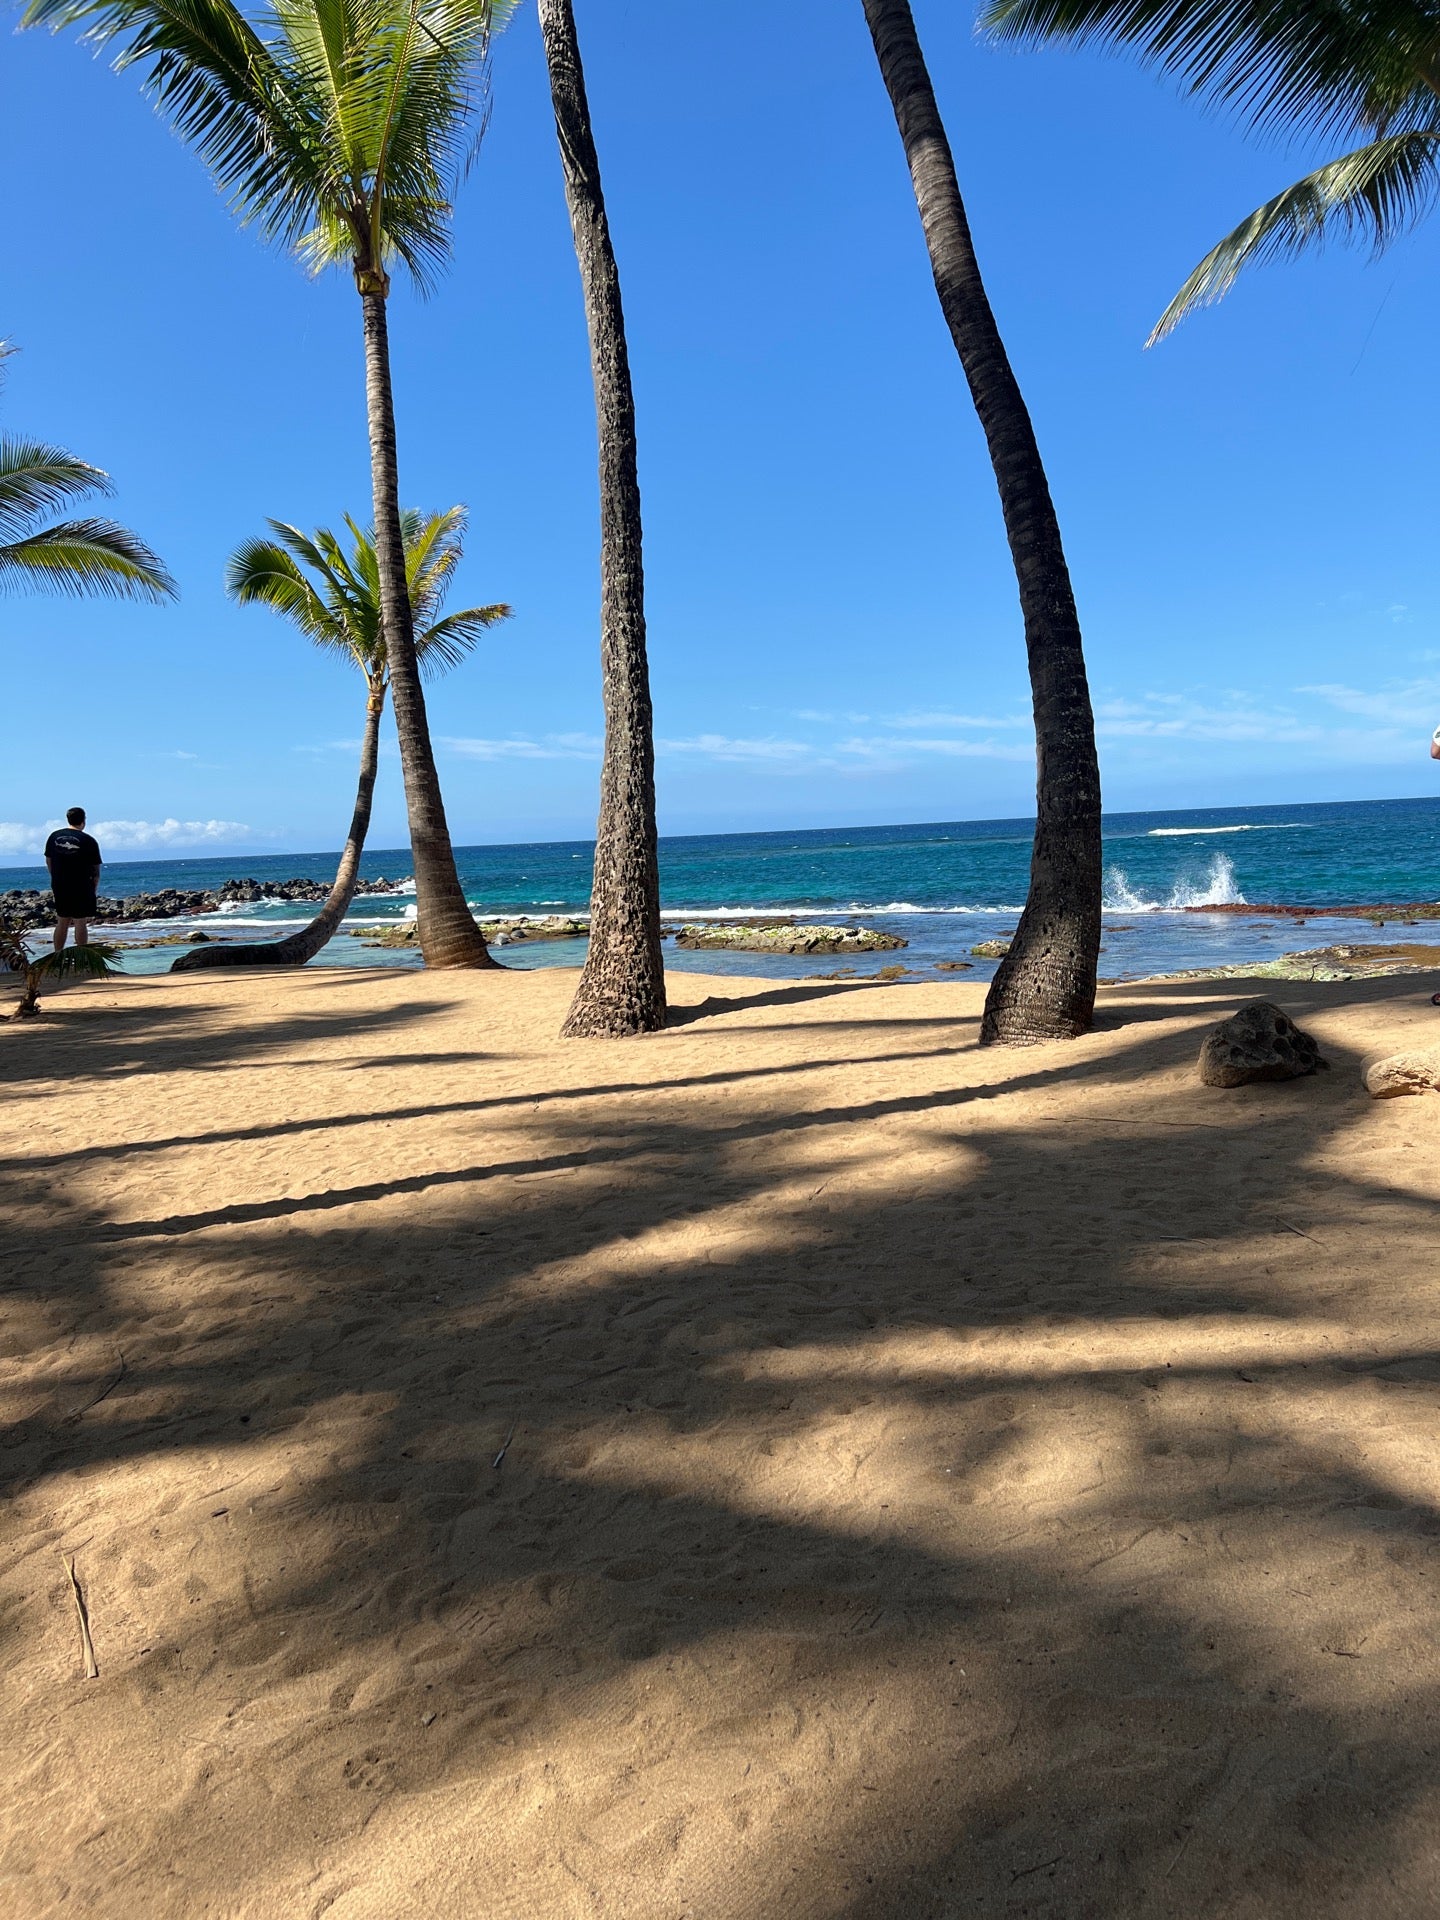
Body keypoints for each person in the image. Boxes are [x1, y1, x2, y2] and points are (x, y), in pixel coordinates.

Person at [43, 807, 102, 954]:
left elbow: (49, 861)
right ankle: (82, 955)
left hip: (60, 884)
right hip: (82, 885)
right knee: (80, 922)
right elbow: (96, 870)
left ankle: (58, 954)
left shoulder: (53, 837)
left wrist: (55, 878)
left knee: (62, 921)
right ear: (83, 820)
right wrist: (94, 888)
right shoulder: (89, 840)